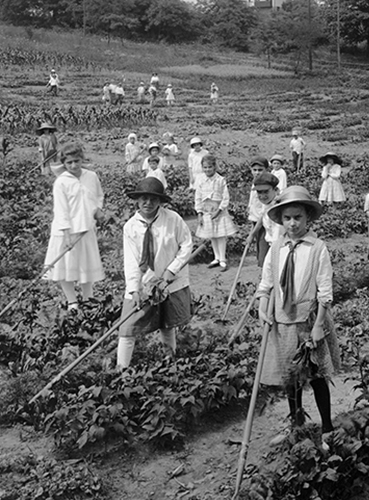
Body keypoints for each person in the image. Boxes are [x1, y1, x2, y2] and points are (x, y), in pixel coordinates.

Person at [256, 186, 339, 450]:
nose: (292, 223)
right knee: (291, 377)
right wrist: (263, 305)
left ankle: (327, 429)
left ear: (308, 219)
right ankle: (296, 426)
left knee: (315, 376)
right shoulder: (277, 247)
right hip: (283, 322)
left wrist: (317, 327)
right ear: (281, 220)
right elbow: (267, 281)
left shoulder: (317, 248)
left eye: (298, 218)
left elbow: (325, 291)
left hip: (309, 321)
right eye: (287, 218)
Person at [116, 177, 193, 369]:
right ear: (137, 200)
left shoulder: (173, 219)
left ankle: (170, 361)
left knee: (167, 324)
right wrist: (134, 289)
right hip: (145, 283)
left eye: (153, 199)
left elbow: (186, 246)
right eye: (143, 198)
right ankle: (121, 370)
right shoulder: (131, 227)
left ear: (160, 201)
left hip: (170, 282)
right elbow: (131, 261)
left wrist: (171, 269)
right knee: (127, 328)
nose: (147, 203)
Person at [43, 143, 105, 310]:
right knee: (65, 267)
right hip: (66, 231)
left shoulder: (91, 176)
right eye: (69, 162)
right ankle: (72, 301)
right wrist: (66, 235)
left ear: (82, 159)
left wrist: (98, 209)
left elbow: (99, 196)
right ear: (64, 163)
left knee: (86, 263)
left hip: (86, 228)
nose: (73, 165)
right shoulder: (61, 182)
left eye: (76, 161)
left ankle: (88, 298)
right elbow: (61, 210)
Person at [193, 153, 237, 270]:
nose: (207, 170)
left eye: (210, 167)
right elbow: (198, 197)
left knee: (220, 235)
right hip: (207, 211)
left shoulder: (220, 180)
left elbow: (225, 197)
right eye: (205, 167)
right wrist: (199, 213)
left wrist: (219, 210)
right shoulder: (201, 180)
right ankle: (216, 257)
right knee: (212, 235)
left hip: (218, 211)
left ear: (214, 167)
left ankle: (222, 259)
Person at [250, 171, 281, 267]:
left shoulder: (279, 207)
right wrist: (252, 234)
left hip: (281, 246)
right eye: (259, 192)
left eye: (266, 191)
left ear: (275, 190)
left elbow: (279, 233)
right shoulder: (266, 204)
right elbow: (261, 219)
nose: (262, 196)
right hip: (272, 243)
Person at [247, 157, 270, 257]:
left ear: (266, 170)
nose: (257, 172)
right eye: (254, 170)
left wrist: (252, 234)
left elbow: (263, 214)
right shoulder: (254, 183)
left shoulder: (266, 188)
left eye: (260, 170)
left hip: (264, 223)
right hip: (255, 221)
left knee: (264, 250)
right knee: (259, 250)